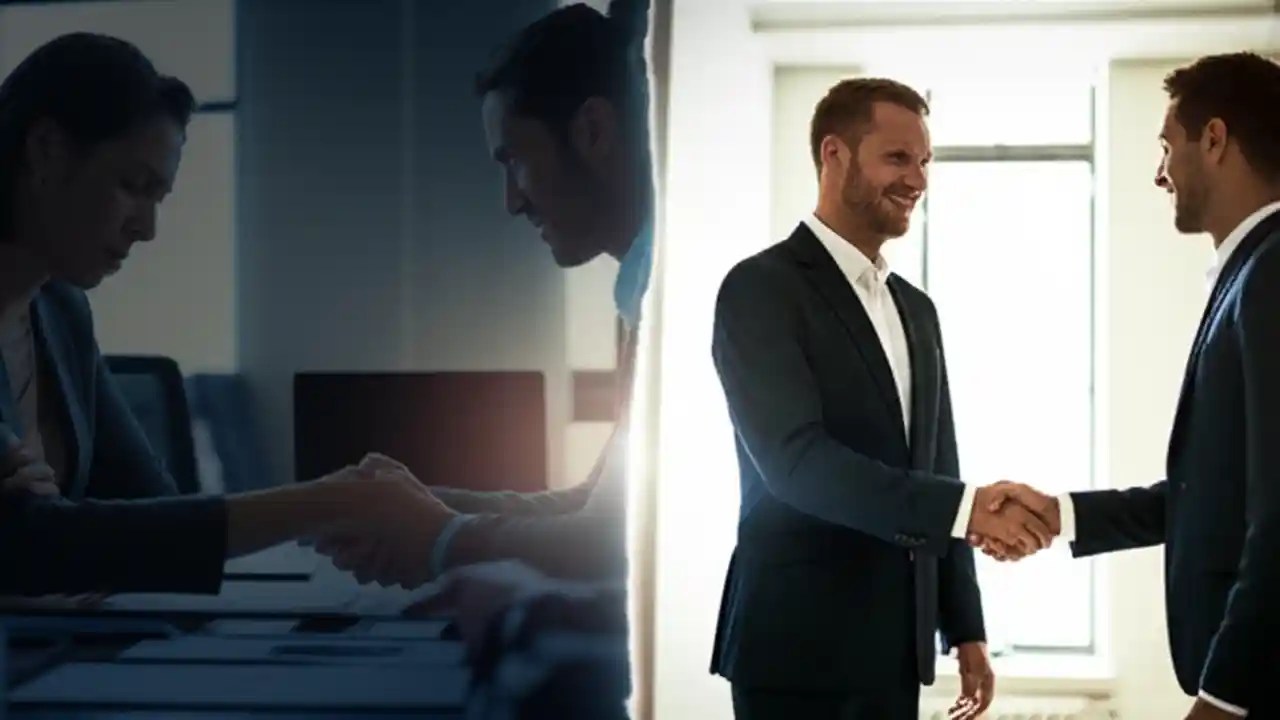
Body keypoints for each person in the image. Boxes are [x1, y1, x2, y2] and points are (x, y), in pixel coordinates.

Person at [0, 31, 440, 596]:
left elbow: (152, 511)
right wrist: (329, 501)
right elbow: (31, 543)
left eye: (159, 199)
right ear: (46, 151)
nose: (147, 228)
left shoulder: (61, 313)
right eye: (133, 186)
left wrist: (332, 502)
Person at [708, 77, 1060, 720]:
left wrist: (966, 629)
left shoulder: (917, 311)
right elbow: (795, 464)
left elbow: (939, 470)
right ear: (834, 154)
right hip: (794, 651)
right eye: (898, 158)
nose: (918, 180)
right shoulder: (759, 290)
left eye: (924, 162)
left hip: (895, 651)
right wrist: (967, 508)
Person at [973, 53, 1280, 720]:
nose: (1159, 172)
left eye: (1168, 147)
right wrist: (1063, 513)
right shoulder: (1248, 274)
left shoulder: (1270, 275)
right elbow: (1218, 494)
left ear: (1216, 139)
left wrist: (1225, 699)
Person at [313, 1, 653, 592]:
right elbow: (592, 507)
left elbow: (612, 540)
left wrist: (440, 536)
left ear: (593, 132)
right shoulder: (649, 290)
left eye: (515, 161)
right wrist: (421, 506)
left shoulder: (697, 297)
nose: (512, 202)